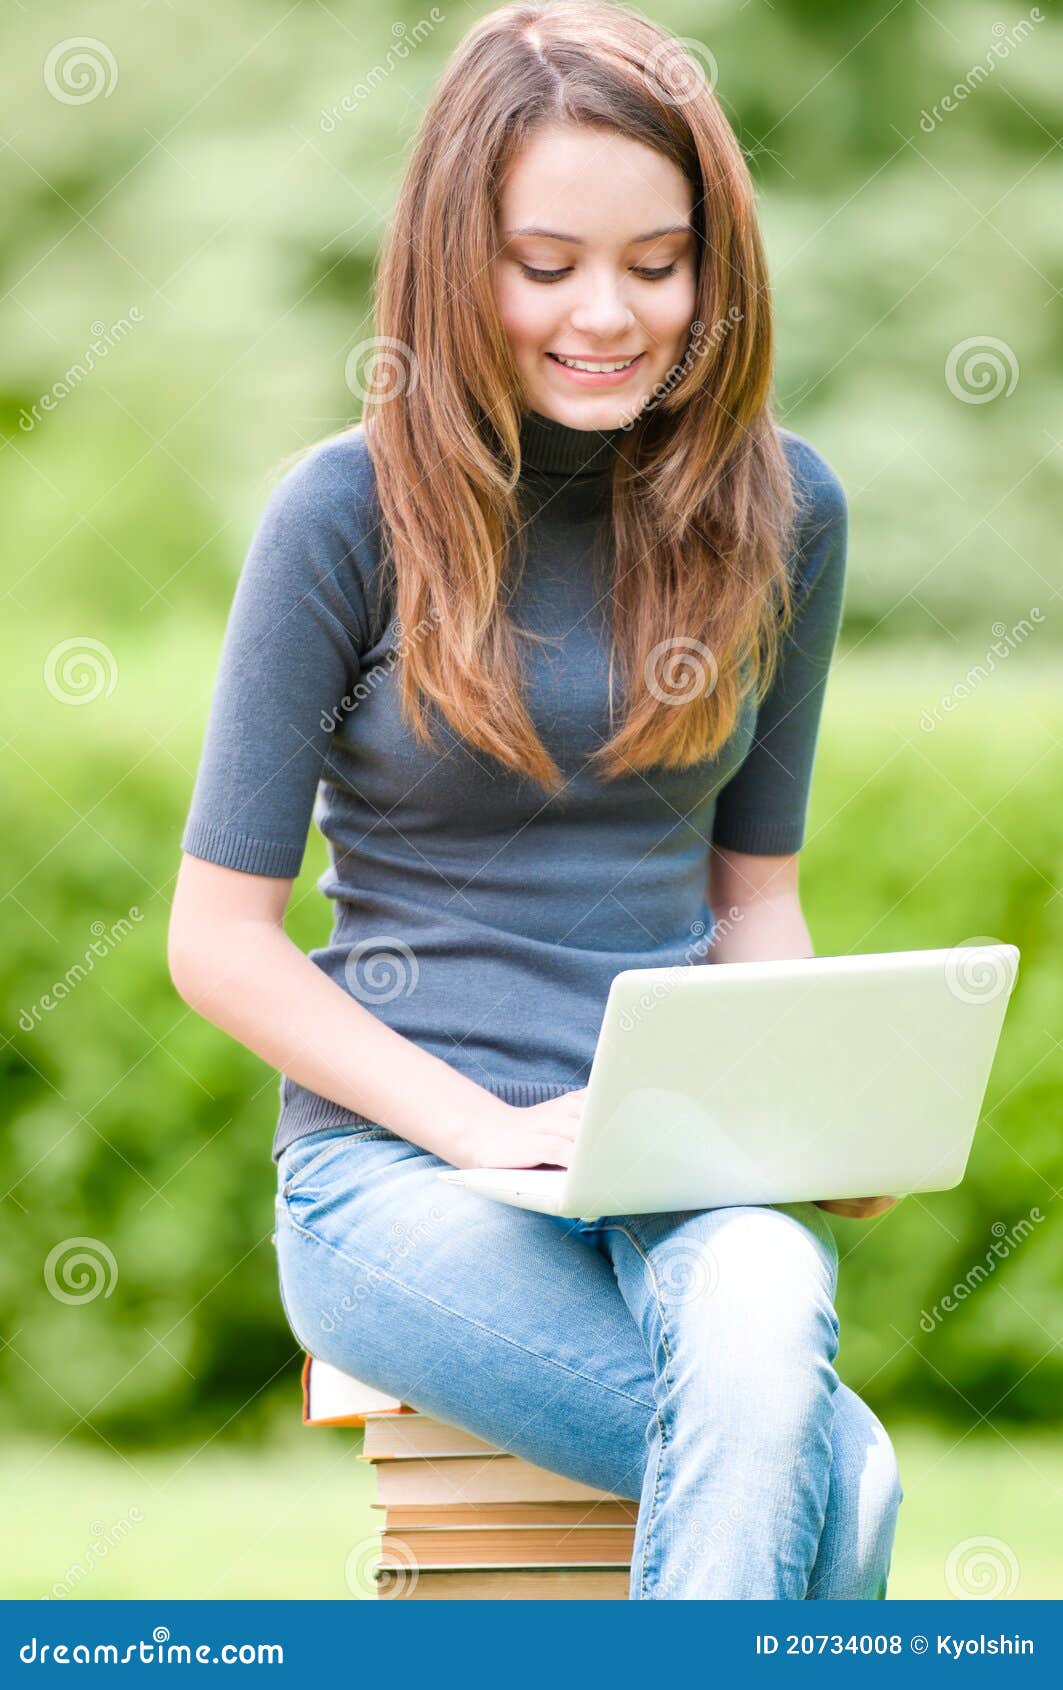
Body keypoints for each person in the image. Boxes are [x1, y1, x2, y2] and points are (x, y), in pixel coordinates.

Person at [168, 1, 902, 1599]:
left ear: (718, 267)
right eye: (544, 260)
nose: (607, 312)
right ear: (455, 258)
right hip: (398, 1173)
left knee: (771, 1284)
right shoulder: (343, 512)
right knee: (842, 1472)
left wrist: (814, 1115)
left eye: (658, 262)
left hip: (682, 1155)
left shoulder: (787, 512)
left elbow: (750, 892)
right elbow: (219, 939)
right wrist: (490, 1133)